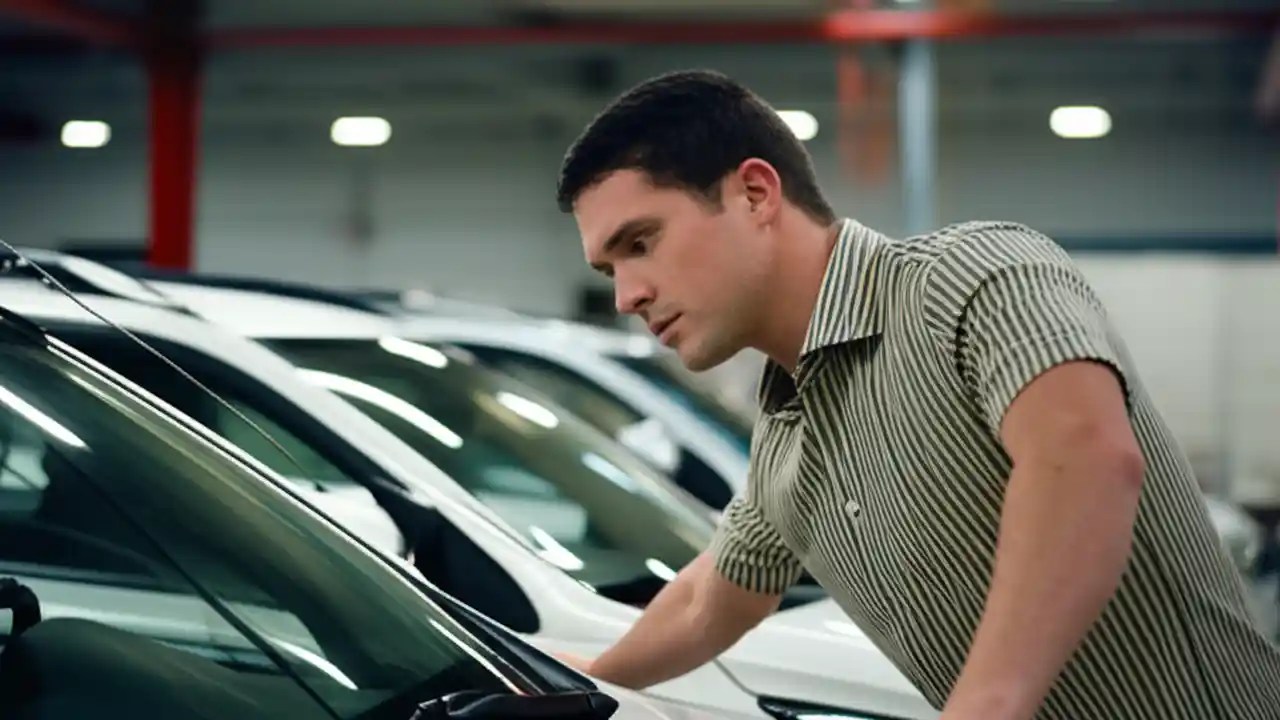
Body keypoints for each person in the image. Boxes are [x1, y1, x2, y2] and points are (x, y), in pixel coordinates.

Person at [552, 69, 1280, 720]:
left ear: (754, 194)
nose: (626, 296)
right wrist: (572, 686)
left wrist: (985, 706)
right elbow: (713, 597)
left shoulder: (971, 278)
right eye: (609, 266)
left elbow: (1084, 459)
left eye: (640, 243)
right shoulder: (788, 438)